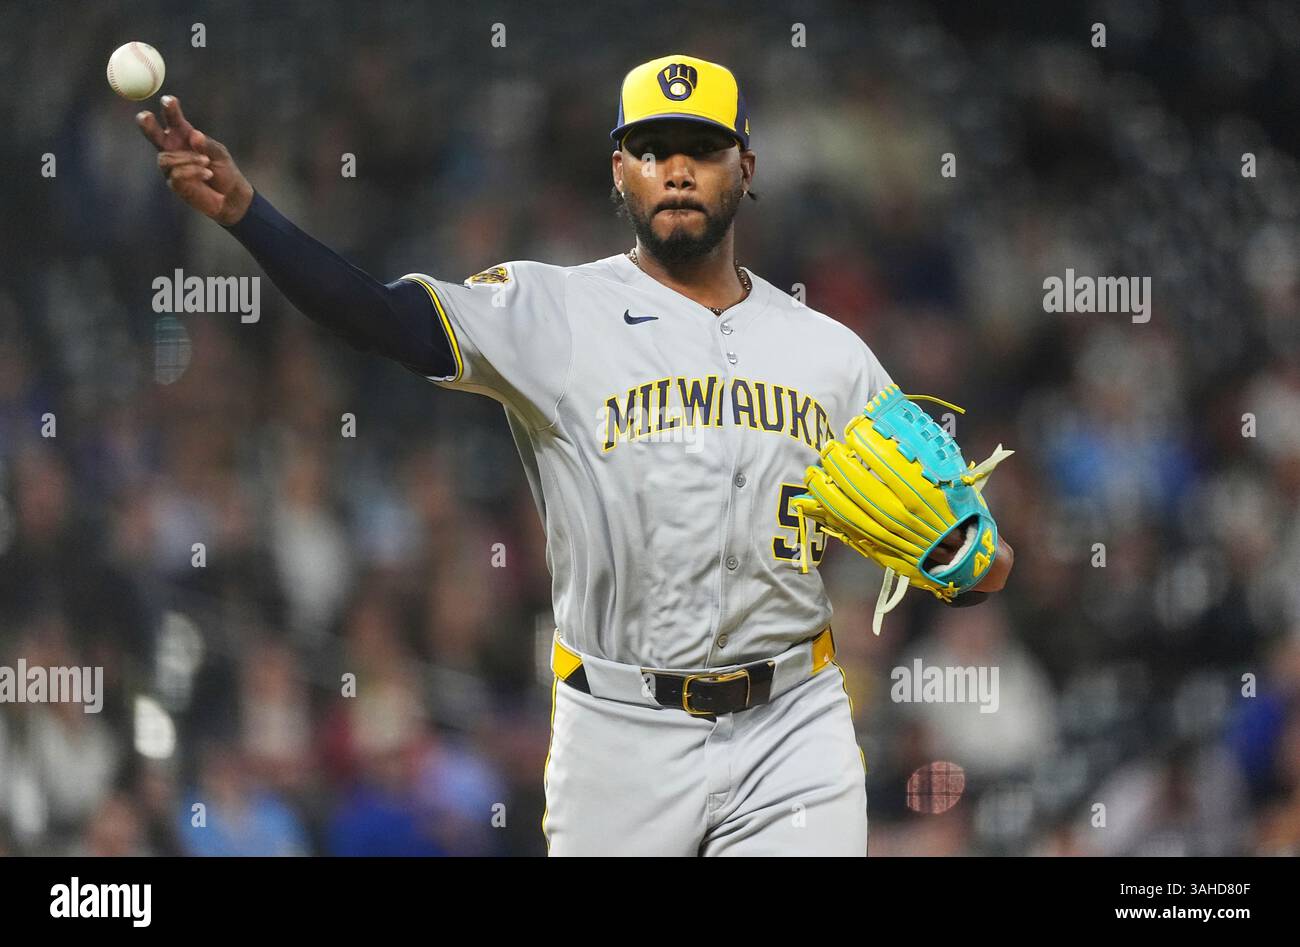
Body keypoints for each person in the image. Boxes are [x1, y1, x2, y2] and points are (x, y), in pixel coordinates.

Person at [137, 53, 1013, 856]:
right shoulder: (553, 310)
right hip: (620, 730)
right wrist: (251, 216)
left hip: (793, 720)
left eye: (702, 149)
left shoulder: (830, 352)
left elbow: (971, 553)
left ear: (746, 167)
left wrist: (981, 560)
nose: (676, 169)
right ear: (617, 170)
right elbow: (380, 317)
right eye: (651, 148)